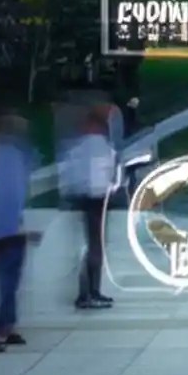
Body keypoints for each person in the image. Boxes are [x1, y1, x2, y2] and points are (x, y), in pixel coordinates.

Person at [0, 114, 36, 353]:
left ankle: (8, 325)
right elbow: (13, 193)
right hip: (6, 228)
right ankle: (1, 329)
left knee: (10, 280)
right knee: (8, 280)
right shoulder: (12, 156)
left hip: (5, 227)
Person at [59, 107, 117, 310]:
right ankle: (89, 293)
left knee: (93, 247)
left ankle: (90, 291)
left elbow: (69, 175)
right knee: (95, 248)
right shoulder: (100, 146)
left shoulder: (80, 147)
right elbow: (106, 175)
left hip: (87, 200)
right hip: (97, 201)